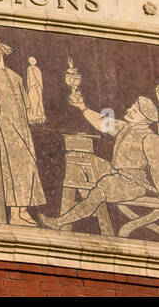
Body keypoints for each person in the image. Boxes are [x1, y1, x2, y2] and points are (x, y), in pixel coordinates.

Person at [38, 94, 159, 232]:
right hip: (116, 174)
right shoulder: (126, 127)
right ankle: (91, 205)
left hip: (131, 184)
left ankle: (61, 221)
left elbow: (157, 168)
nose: (129, 109)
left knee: (98, 192)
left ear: (144, 120)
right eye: (132, 107)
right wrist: (82, 107)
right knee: (81, 159)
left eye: (135, 110)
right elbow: (102, 122)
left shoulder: (150, 138)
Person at [0, 35, 45, 226]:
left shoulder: (16, 77)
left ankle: (23, 209)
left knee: (27, 167)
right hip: (2, 127)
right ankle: (14, 214)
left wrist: (35, 115)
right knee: (10, 170)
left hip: (21, 128)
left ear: (0, 49)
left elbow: (27, 105)